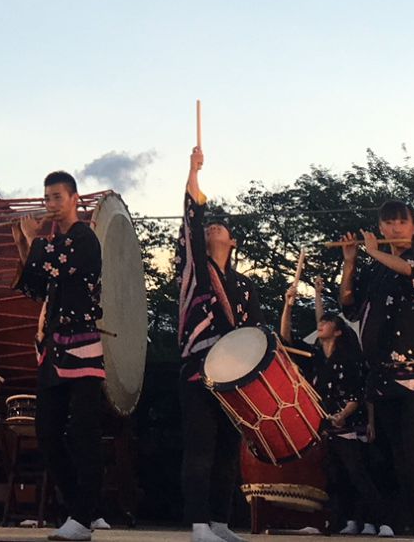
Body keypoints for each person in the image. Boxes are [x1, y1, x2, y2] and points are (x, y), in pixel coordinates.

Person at [338, 202, 414, 541]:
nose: (397, 228)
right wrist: (351, 262)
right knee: (397, 459)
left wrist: (372, 252)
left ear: (413, 228)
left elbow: (410, 272)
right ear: (381, 228)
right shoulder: (375, 270)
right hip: (383, 378)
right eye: (389, 222)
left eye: (403, 222)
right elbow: (349, 306)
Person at [13, 170, 104, 542]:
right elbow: (35, 286)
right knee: (47, 432)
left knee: (83, 434)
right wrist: (23, 244)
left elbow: (58, 264)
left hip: (82, 345)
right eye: (46, 198)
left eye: (56, 197)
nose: (50, 204)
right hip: (53, 348)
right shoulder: (51, 244)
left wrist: (34, 240)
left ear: (74, 199)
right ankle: (81, 509)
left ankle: (83, 516)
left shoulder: (85, 239)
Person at [177, 145, 254, 542]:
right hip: (198, 370)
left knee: (227, 450)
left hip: (233, 378)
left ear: (234, 242)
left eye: (219, 228)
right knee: (201, 449)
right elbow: (192, 220)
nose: (211, 230)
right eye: (209, 229)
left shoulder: (245, 288)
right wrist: (193, 174)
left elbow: (254, 337)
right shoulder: (195, 270)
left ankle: (221, 522)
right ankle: (198, 524)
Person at [282, 273, 384, 538]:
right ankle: (345, 520)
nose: (321, 325)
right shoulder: (317, 357)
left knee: (358, 473)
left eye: (327, 323)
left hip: (349, 421)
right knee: (335, 475)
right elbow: (286, 339)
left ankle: (379, 521)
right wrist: (289, 306)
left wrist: (343, 416)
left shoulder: (348, 359)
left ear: (337, 331)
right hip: (328, 422)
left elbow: (356, 395)